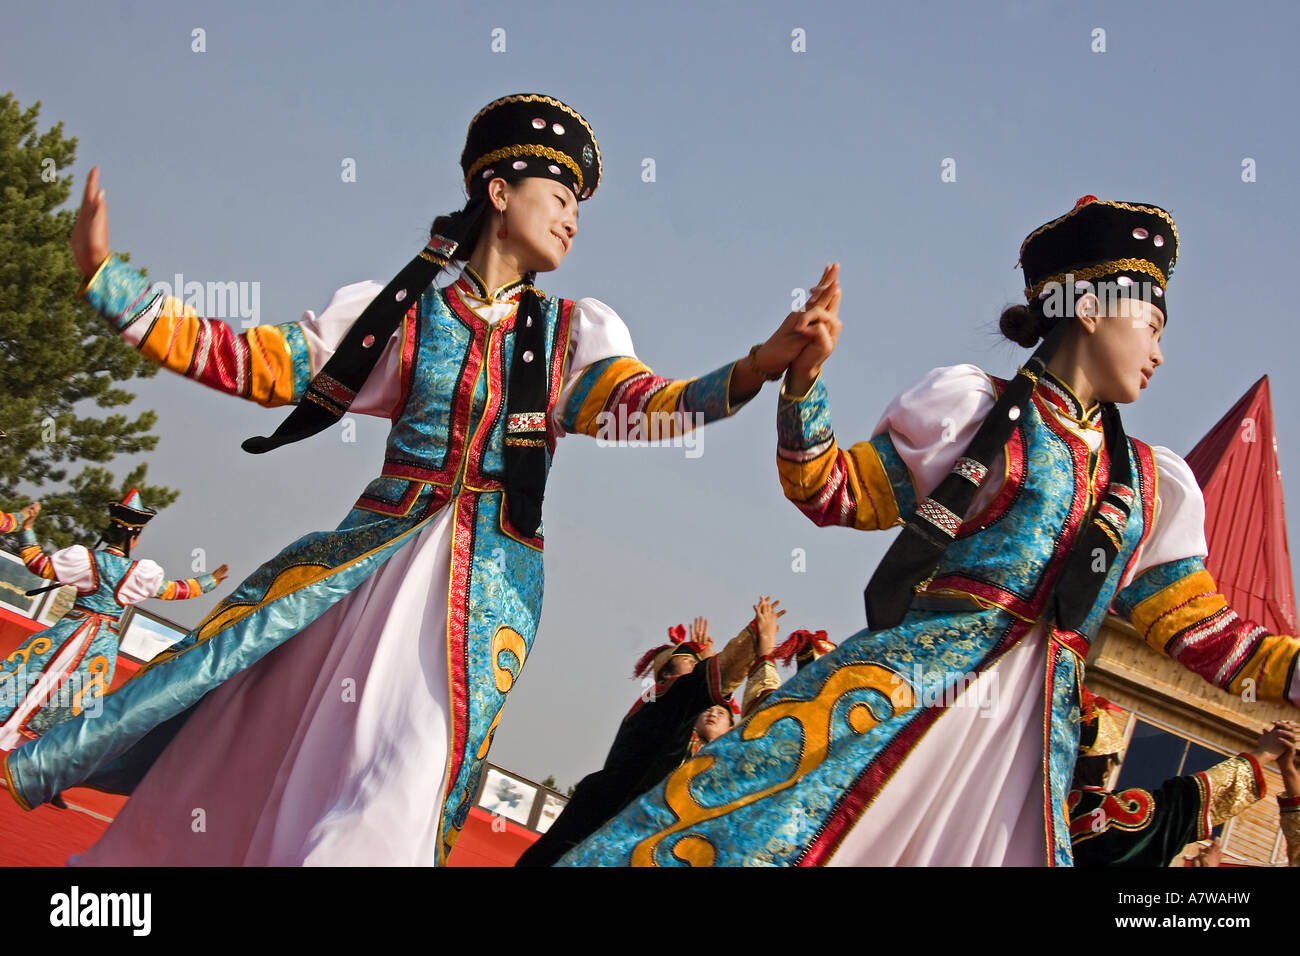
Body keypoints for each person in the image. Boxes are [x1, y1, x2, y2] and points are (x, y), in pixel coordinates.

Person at [2, 94, 838, 866]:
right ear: (500, 191)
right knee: (252, 752)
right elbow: (264, 362)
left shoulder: (572, 334)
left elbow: (647, 405)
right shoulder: (406, 310)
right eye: (561, 195)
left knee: (407, 785)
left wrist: (760, 365)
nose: (575, 218)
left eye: (582, 206)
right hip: (363, 580)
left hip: (482, 602)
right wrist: (115, 287)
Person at [560, 196, 1300, 867]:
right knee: (763, 839)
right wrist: (803, 384)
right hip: (910, 695)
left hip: (1027, 746)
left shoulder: (1146, 486)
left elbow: (1214, 639)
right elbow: (831, 490)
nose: (1162, 353)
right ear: (1095, 307)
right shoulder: (976, 414)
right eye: (1154, 322)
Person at [517, 600, 780, 867]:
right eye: (690, 660)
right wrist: (758, 645)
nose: (697, 662)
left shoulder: (680, 720)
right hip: (611, 825)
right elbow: (704, 687)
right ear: (665, 674)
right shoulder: (662, 699)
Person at [0, 491, 226, 751]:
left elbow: (39, 565)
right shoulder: (138, 573)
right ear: (134, 537)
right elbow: (173, 591)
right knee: (81, 697)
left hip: (67, 630)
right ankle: (45, 757)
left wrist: (27, 530)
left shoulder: (85, 559)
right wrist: (209, 581)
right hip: (100, 645)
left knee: (30, 673)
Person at [1067, 692, 1293, 866]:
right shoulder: (1113, 813)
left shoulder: (1041, 799)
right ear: (1107, 765)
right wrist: (1265, 754)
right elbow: (1182, 803)